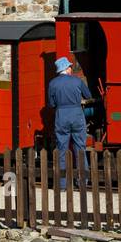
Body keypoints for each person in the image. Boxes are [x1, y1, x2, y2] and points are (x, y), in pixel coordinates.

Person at [48, 56, 91, 186]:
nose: (71, 68)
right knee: (80, 148)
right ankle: (82, 181)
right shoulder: (77, 81)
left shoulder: (53, 83)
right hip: (77, 115)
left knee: (62, 149)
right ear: (66, 69)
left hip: (61, 116)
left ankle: (62, 184)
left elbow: (51, 103)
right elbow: (88, 95)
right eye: (70, 66)